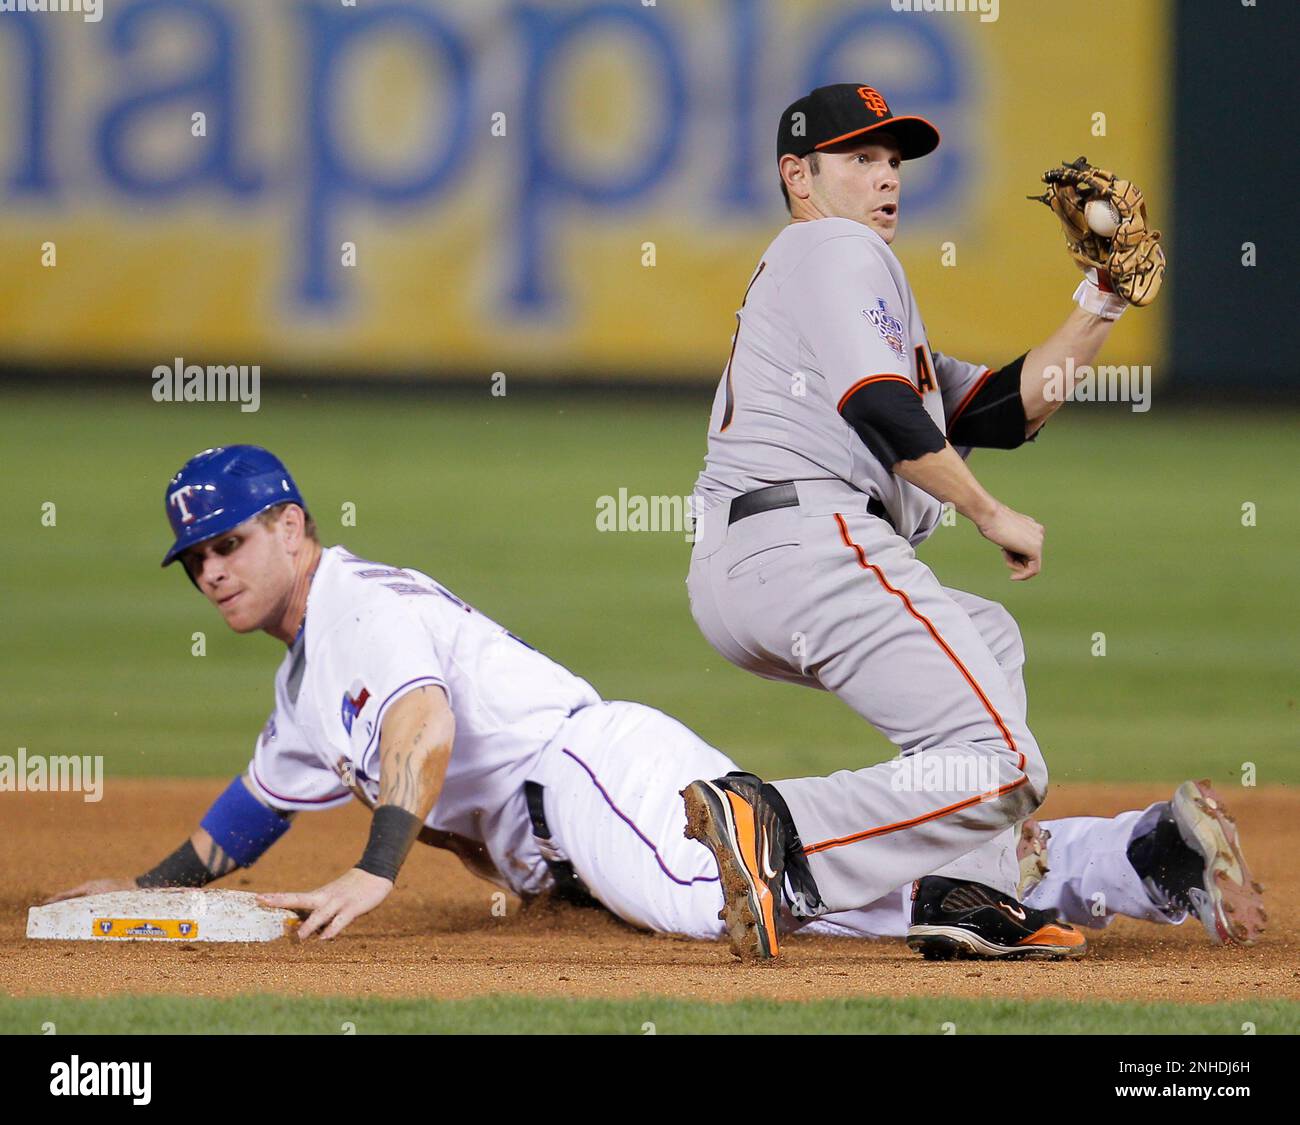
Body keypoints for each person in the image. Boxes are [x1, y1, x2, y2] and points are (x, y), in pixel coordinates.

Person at [46, 446, 1264, 958]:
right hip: (598, 799)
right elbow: (250, 810)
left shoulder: (357, 608)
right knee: (788, 898)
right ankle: (1129, 861)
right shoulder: (305, 677)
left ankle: (939, 874)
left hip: (585, 777)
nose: (213, 570)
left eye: (233, 542)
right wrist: (147, 894)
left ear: (297, 530)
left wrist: (377, 867)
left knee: (709, 895)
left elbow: (423, 732)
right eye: (196, 558)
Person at [679, 82, 1183, 960]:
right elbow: (881, 408)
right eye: (861, 158)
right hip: (810, 540)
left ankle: (967, 893)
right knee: (1010, 767)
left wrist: (1101, 299)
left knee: (987, 640)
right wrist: (987, 512)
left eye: (894, 160)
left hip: (758, 560)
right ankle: (784, 829)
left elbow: (996, 411)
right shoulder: (834, 248)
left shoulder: (823, 280)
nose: (887, 178)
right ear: (799, 176)